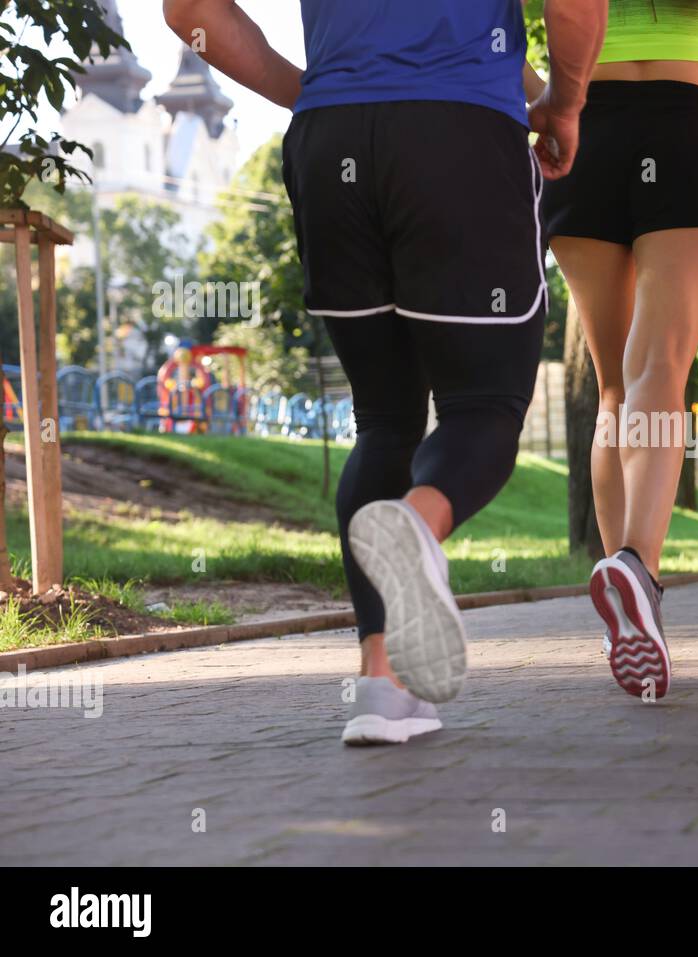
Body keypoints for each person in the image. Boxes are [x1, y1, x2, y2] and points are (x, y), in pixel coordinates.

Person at [164, 0, 607, 744]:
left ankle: (383, 686)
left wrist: (310, 89)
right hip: (460, 132)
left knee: (385, 419)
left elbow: (186, 10)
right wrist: (564, 103)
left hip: (330, 144)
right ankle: (416, 526)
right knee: (484, 402)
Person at [535, 0, 698, 700]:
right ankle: (637, 568)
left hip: (584, 130)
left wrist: (550, 98)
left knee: (612, 388)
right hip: (681, 129)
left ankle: (620, 603)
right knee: (660, 367)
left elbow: (497, 37)